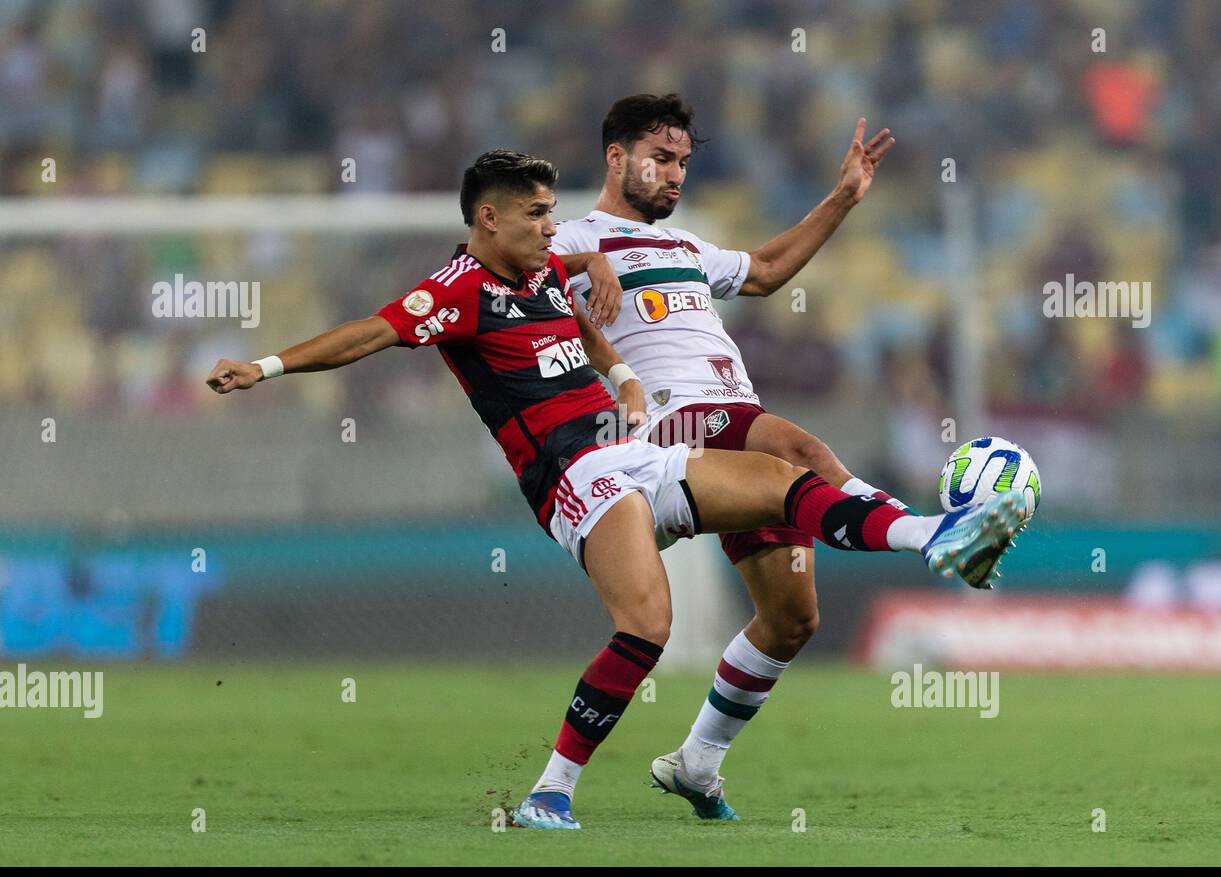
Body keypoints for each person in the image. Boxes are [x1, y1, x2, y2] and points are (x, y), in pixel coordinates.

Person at [206, 149, 1030, 830]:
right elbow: (371, 333)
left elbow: (582, 319)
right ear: (487, 219)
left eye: (551, 211)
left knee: (783, 481)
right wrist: (267, 365)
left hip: (625, 450)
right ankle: (549, 791)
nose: (549, 225)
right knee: (648, 625)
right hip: (568, 477)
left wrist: (625, 372)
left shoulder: (541, 269)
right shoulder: (459, 288)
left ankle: (933, 535)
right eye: (533, 213)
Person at [549, 94, 947, 820]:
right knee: (796, 444)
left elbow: (763, 270)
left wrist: (843, 198)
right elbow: (503, 274)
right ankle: (923, 532)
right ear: (616, 156)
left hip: (730, 432)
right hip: (670, 431)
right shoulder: (574, 236)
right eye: (661, 159)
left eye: (684, 164)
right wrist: (580, 265)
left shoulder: (688, 247)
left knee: (792, 617)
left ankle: (697, 762)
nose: (675, 176)